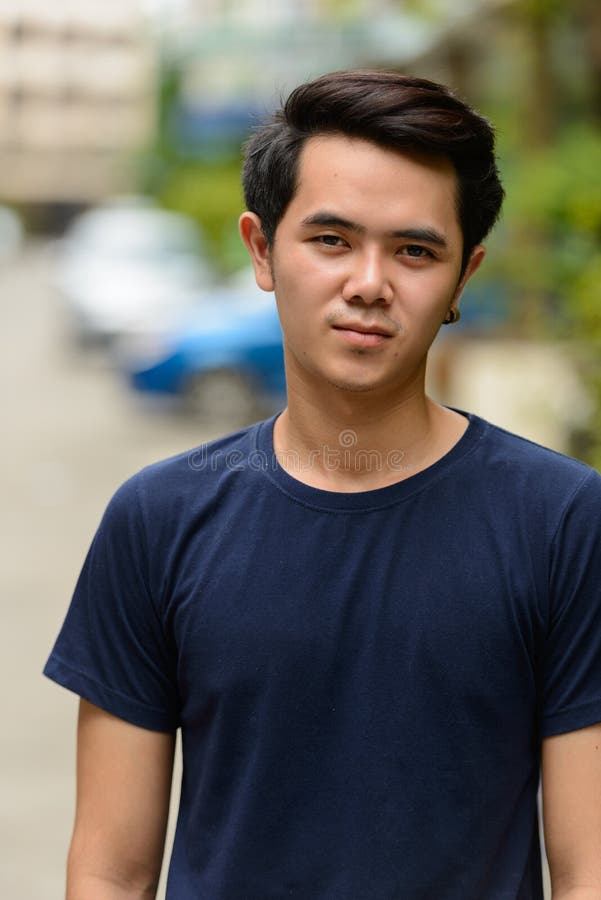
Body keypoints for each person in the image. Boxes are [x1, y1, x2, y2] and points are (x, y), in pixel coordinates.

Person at [44, 71, 601, 900]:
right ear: (262, 250)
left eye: (415, 250)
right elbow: (108, 871)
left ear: (463, 275)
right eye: (331, 239)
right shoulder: (158, 520)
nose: (369, 283)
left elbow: (588, 865)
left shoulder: (562, 520)